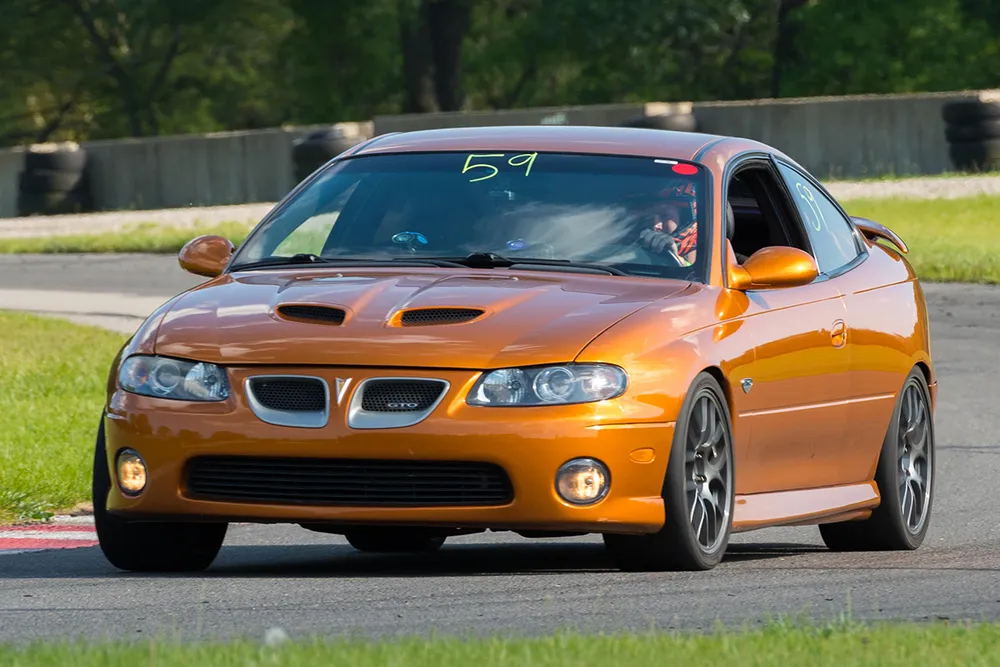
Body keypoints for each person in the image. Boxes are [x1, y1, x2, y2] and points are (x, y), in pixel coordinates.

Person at [635, 180, 699, 265]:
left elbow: (692, 276)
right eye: (649, 217)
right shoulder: (632, 245)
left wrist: (675, 258)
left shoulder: (709, 252)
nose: (655, 225)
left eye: (664, 216)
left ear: (684, 219)